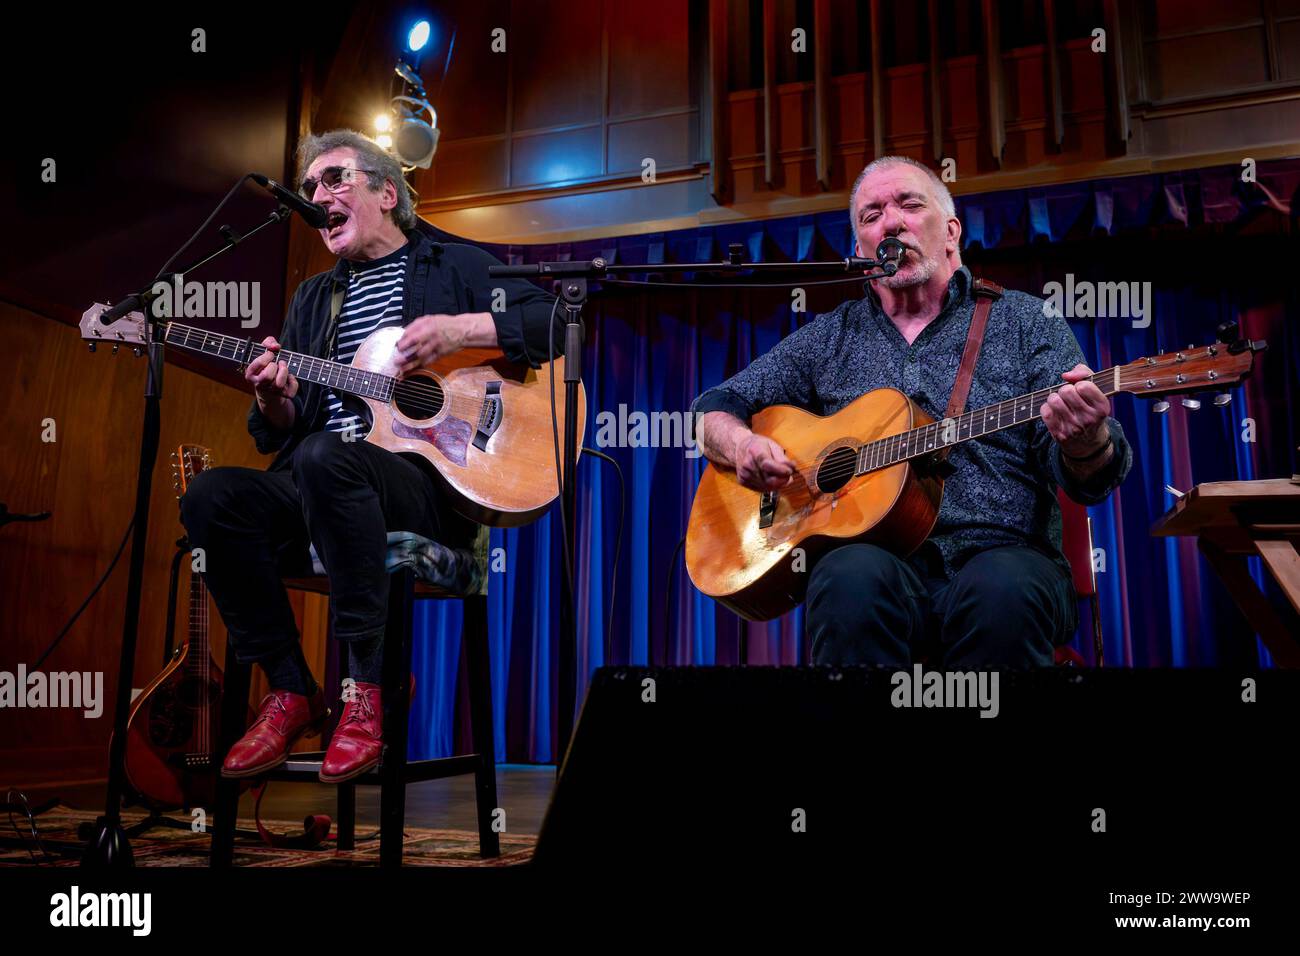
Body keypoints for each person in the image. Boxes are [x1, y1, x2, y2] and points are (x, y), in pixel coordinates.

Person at [181, 129, 559, 782]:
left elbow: (553, 322)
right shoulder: (312, 299)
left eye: (335, 180)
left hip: (425, 497)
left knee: (329, 457)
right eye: (309, 188)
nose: (317, 196)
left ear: (387, 192)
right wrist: (276, 397)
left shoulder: (455, 265)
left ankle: (365, 689)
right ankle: (292, 689)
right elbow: (276, 432)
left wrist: (461, 328)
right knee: (211, 497)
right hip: (321, 487)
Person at [692, 156, 1132, 669]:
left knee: (1002, 592)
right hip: (882, 566)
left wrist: (1086, 442)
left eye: (908, 204)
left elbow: (1089, 481)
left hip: (1005, 556)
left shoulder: (1026, 322)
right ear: (860, 249)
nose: (891, 221)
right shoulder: (826, 339)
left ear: (951, 233)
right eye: (871, 215)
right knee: (844, 579)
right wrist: (742, 444)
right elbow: (713, 409)